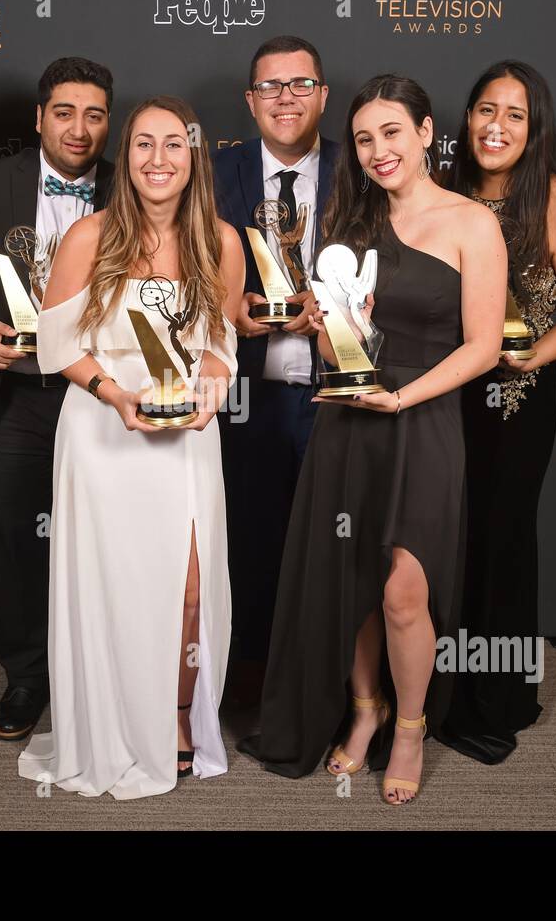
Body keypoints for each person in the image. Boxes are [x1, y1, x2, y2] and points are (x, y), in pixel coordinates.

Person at [239, 75, 507, 804]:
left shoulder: (472, 224)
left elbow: (484, 345)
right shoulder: (348, 222)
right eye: (363, 138)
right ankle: (365, 710)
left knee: (401, 593)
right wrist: (331, 331)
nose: (378, 150)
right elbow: (337, 343)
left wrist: (405, 397)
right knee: (353, 584)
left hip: (422, 419)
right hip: (350, 419)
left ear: (426, 133)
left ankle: (412, 725)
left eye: (392, 132)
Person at [17, 96, 244, 798]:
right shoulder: (91, 235)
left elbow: (223, 340)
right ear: (128, 156)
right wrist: (114, 392)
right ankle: (109, 724)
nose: (156, 159)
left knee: (188, 590)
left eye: (173, 144)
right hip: (103, 434)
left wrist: (213, 372)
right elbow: (56, 348)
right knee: (111, 583)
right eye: (143, 144)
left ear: (193, 156)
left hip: (186, 442)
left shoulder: (222, 241)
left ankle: (175, 717)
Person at [436, 60, 556, 764]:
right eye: (485, 109)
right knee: (445, 539)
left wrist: (534, 357)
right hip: (445, 397)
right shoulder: (442, 197)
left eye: (513, 114)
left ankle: (495, 698)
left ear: (535, 129)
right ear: (467, 118)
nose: (495, 126)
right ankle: (433, 690)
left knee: (500, 541)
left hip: (515, 402)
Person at [0, 57, 114, 741]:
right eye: (65, 112)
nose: (80, 128)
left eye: (96, 115)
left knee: (105, 544)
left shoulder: (134, 187)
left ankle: (100, 676)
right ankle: (26, 677)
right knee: (15, 548)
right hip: (9, 397)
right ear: (39, 117)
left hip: (100, 396)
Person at [212, 36, 337, 702]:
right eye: (270, 86)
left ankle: (322, 692)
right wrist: (228, 308)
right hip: (243, 395)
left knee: (326, 549)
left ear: (323, 94)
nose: (284, 98)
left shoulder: (364, 170)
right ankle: (249, 690)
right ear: (249, 100)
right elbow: (169, 272)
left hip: (336, 396)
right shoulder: (210, 172)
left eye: (299, 84)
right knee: (249, 546)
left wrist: (349, 311)